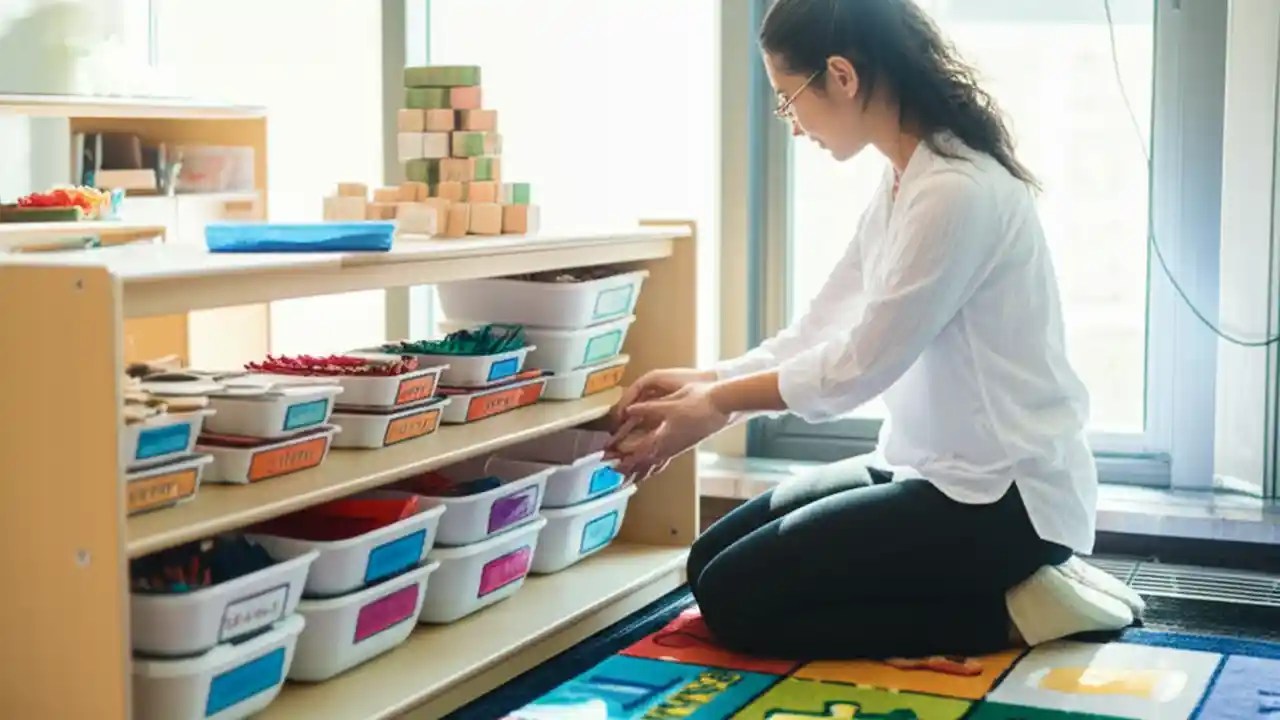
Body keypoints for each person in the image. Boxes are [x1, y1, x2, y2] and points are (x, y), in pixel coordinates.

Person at [605, 0, 1145, 660]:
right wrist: (708, 380)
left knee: (738, 600)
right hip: (922, 469)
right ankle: (993, 593)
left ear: (841, 75)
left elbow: (856, 368)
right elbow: (818, 332)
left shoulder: (956, 192)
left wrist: (715, 408)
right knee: (709, 564)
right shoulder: (903, 183)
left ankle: (1012, 611)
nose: (791, 124)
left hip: (1003, 501)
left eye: (786, 97)